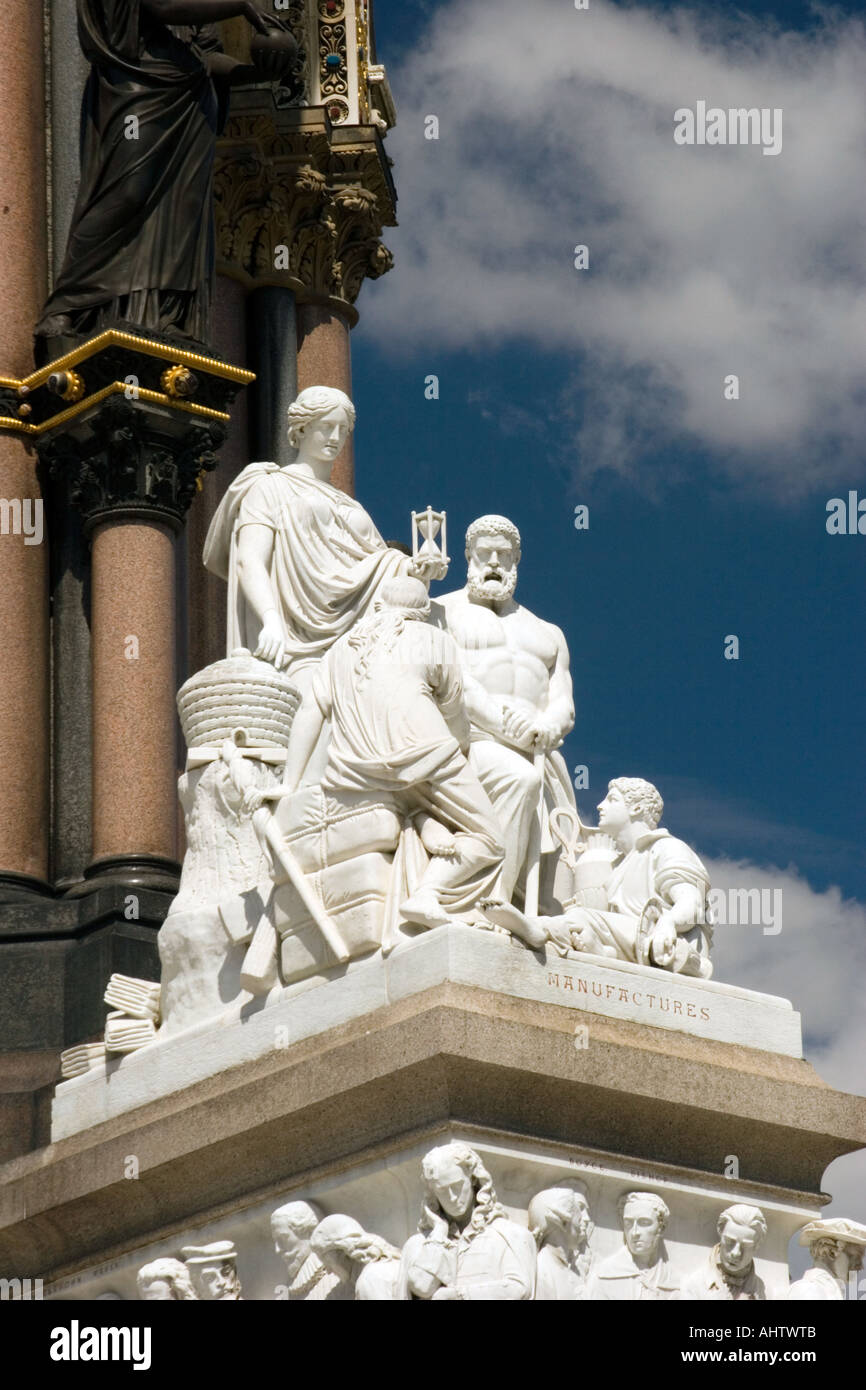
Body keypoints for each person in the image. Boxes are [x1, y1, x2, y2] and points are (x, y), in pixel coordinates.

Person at [35, 1, 294, 359]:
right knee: (126, 193)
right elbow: (162, 6)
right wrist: (242, 6)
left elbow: (206, 60)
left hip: (190, 104)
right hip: (136, 89)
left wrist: (257, 72)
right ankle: (70, 305)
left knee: (183, 215)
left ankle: (166, 315)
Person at [266, 576, 504, 928]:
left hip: (355, 772)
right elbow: (455, 717)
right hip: (427, 758)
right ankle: (428, 893)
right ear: (422, 613)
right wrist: (463, 757)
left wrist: (289, 783)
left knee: (417, 798)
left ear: (378, 606)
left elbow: (309, 713)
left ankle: (422, 818)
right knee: (490, 838)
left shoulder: (338, 651)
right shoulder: (436, 639)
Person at [204, 387, 436, 700]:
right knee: (313, 717)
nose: (335, 437)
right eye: (326, 427)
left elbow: (379, 566)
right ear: (301, 428)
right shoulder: (269, 485)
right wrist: (270, 619)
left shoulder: (353, 508)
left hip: (357, 639)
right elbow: (250, 560)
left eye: (342, 430)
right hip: (296, 639)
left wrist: (414, 568)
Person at [433, 515, 575, 909]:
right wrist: (503, 725)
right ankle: (490, 901)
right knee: (520, 779)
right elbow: (453, 680)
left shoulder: (548, 631)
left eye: (504, 555)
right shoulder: (441, 611)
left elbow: (563, 700)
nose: (494, 562)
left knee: (552, 885)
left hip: (542, 751)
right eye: (485, 553)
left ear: (517, 560)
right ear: (468, 557)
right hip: (473, 741)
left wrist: (547, 725)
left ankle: (523, 911)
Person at [488, 777, 713, 976]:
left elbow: (690, 903)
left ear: (635, 808)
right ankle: (600, 951)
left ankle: (539, 929)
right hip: (633, 943)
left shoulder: (667, 847)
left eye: (612, 800)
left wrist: (668, 923)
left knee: (583, 918)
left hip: (666, 945)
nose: (600, 805)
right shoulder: (618, 865)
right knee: (581, 927)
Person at [400, 1142, 536, 1300]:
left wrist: (459, 1295)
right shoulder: (418, 1244)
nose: (451, 1197)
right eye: (442, 1190)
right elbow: (422, 1286)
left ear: (473, 1180)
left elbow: (519, 1289)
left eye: (457, 1186)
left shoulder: (508, 1234)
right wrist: (438, 1233)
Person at [590, 1192, 679, 1301]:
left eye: (644, 1223)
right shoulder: (605, 1275)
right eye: (628, 1223)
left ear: (662, 1228)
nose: (634, 1232)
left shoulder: (675, 1282)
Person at [680, 1205, 767, 1300]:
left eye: (745, 1246)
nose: (736, 1253)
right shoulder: (695, 1285)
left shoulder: (765, 1292)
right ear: (720, 1232)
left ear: (757, 1246)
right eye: (730, 1241)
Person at [309, 1215, 402, 1301]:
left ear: (342, 1253)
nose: (328, 1271)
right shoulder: (389, 1265)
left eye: (327, 1262)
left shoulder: (370, 1279)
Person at [529, 1182, 594, 1300]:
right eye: (578, 1220)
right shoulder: (542, 1269)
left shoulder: (570, 1271)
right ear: (563, 1223)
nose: (581, 1225)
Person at [271, 1200, 340, 1301]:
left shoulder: (336, 1280)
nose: (278, 1249)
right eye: (276, 1241)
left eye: (283, 1238)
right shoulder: (285, 1292)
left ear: (308, 1232)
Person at [787, 1218, 866, 1300]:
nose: (860, 1266)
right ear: (831, 1251)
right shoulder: (809, 1289)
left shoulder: (827, 1291)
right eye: (855, 1256)